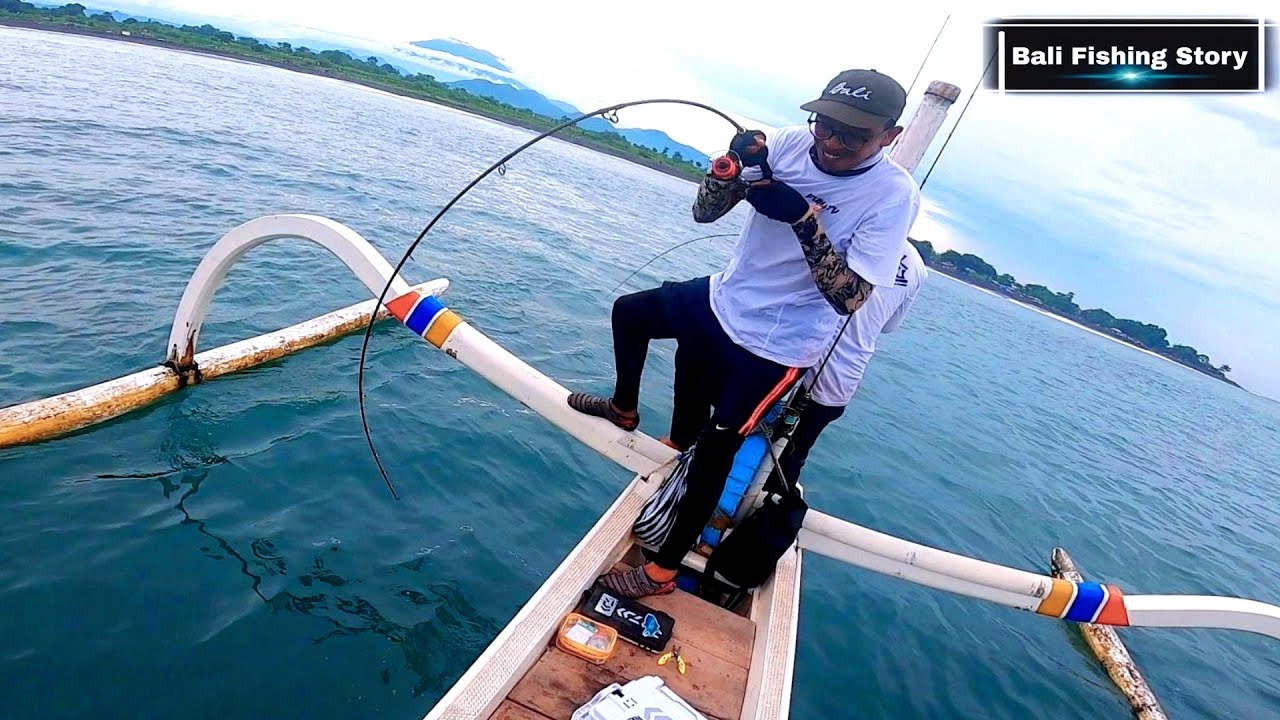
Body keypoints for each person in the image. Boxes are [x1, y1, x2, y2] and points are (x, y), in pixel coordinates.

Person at [568, 69, 921, 598]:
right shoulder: (786, 143)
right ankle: (624, 407)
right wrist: (728, 172)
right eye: (824, 125)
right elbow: (703, 213)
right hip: (723, 298)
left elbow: (850, 298)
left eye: (853, 135)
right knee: (630, 312)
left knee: (718, 449)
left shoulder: (893, 195)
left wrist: (802, 217)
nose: (830, 142)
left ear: (889, 136)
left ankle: (661, 572)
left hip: (780, 345)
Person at [770, 241, 928, 491]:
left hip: (798, 358)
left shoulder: (859, 237)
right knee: (795, 452)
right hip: (844, 378)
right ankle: (770, 507)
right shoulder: (918, 268)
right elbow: (889, 327)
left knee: (757, 431)